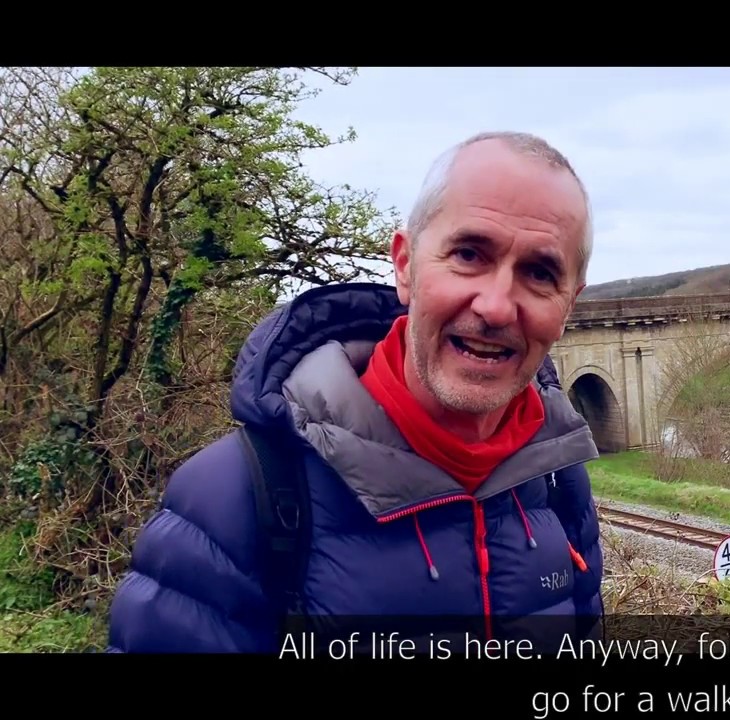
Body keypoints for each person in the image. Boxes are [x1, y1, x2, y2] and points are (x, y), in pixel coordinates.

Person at [105, 131, 605, 653]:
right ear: (406, 266)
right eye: (468, 254)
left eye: (540, 273)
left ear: (569, 304)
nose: (496, 306)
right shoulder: (230, 500)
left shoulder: (557, 480)